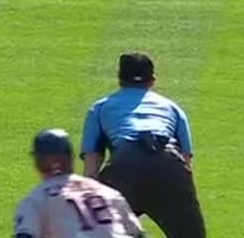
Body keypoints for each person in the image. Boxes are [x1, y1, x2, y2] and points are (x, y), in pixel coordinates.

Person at [82, 53, 205, 238]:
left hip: (125, 166)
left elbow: (91, 168)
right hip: (169, 166)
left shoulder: (99, 108)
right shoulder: (173, 109)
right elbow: (186, 164)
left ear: (120, 80)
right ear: (153, 80)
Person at [15, 129, 145, 238]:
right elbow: (138, 235)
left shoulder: (37, 199)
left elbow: (25, 236)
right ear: (71, 157)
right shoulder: (107, 192)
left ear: (38, 161)